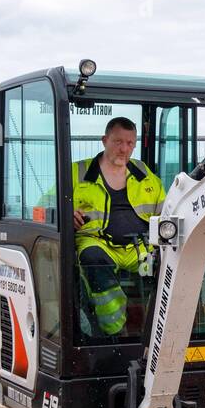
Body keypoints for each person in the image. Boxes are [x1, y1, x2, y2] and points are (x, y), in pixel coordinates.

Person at [72, 117, 166, 336]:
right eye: (118, 142)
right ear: (104, 140)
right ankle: (113, 329)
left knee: (171, 261)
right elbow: (43, 209)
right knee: (92, 259)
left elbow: (167, 211)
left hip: (139, 248)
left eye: (130, 143)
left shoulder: (143, 173)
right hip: (98, 243)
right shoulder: (77, 172)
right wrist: (66, 214)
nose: (124, 149)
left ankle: (157, 331)